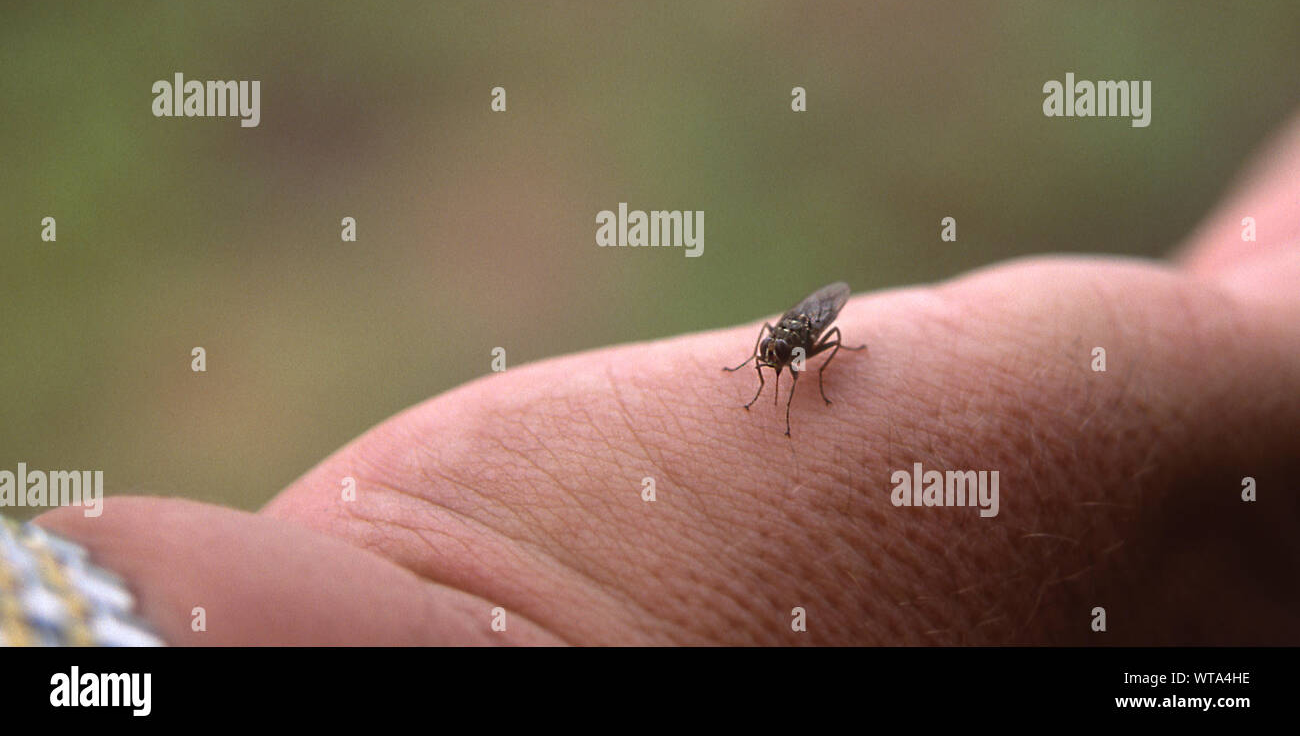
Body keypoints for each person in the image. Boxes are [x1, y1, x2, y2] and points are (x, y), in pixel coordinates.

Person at [22, 112, 1300, 646]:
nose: (777, 362)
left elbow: (819, 335)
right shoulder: (776, 359)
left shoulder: (814, 348)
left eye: (782, 353)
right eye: (777, 355)